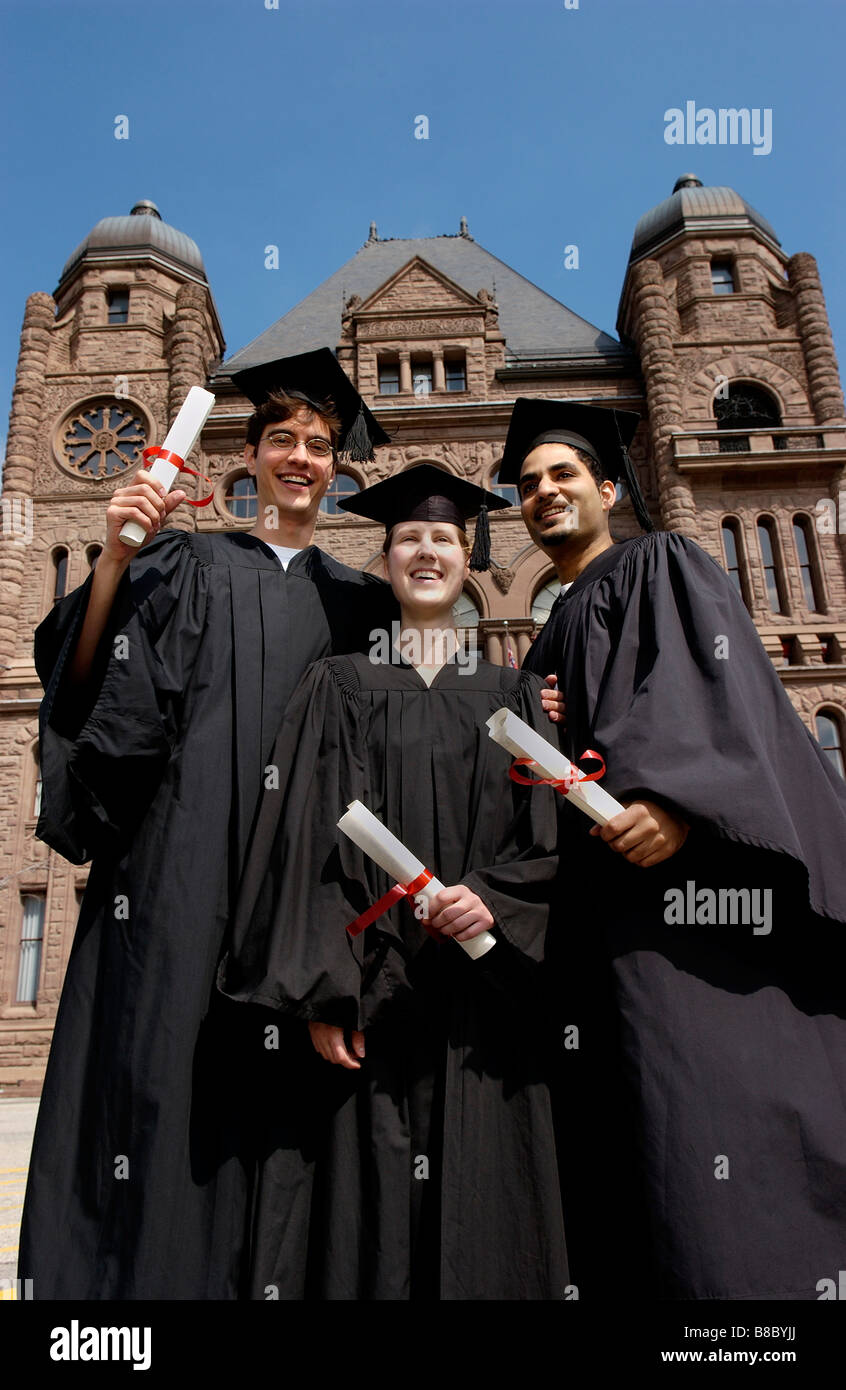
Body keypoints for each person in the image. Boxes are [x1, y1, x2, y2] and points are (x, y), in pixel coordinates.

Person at [19, 348, 400, 1300]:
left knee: (288, 1117)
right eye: (284, 441)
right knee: (159, 1085)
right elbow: (83, 680)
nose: (302, 457)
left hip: (298, 895)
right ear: (254, 458)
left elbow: (414, 737)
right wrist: (113, 555)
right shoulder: (186, 560)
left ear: (336, 464)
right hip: (174, 876)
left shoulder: (359, 604)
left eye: (319, 444)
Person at [492, 397, 846, 1301]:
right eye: (528, 484)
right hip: (604, 922)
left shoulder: (660, 561)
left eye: (564, 474)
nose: (543, 492)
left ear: (608, 488)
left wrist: (678, 801)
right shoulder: (553, 632)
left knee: (714, 1123)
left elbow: (712, 687)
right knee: (640, 1142)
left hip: (695, 910)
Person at [218, 464, 569, 1300]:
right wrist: (325, 994)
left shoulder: (516, 695)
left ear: (467, 559)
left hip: (488, 995)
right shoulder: (336, 686)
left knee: (489, 1195)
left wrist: (497, 897)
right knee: (365, 1196)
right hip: (375, 991)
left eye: (443, 538)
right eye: (409, 537)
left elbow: (553, 839)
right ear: (386, 559)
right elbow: (299, 842)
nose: (425, 551)